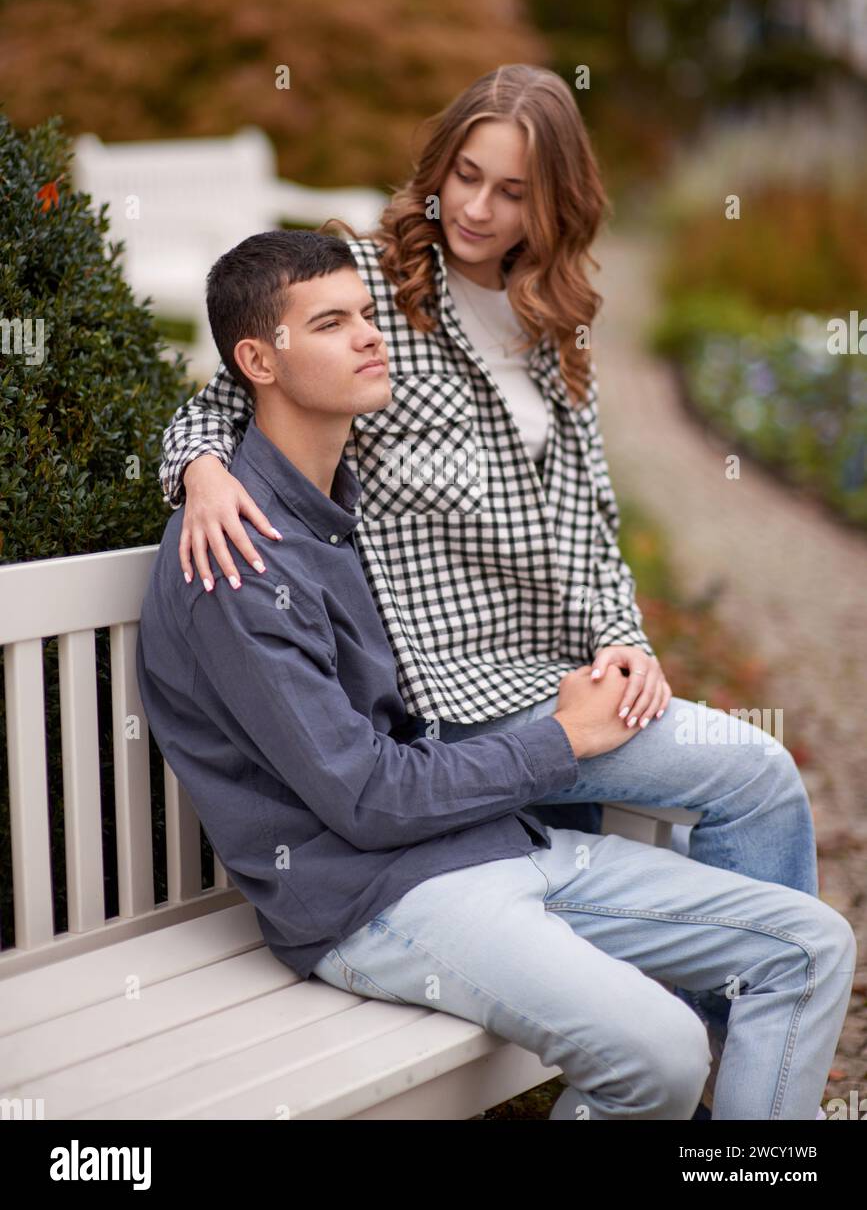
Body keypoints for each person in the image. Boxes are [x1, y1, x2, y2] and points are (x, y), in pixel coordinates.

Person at [159, 64, 822, 1066]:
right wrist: (200, 473)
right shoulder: (371, 290)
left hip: (560, 671)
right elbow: (224, 399)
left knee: (731, 805)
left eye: (512, 191)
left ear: (553, 202)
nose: (476, 208)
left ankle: (721, 1046)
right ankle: (728, 1054)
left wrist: (626, 641)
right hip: (456, 692)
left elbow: (590, 513)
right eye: (464, 176)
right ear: (438, 168)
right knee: (755, 774)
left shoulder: (554, 314)